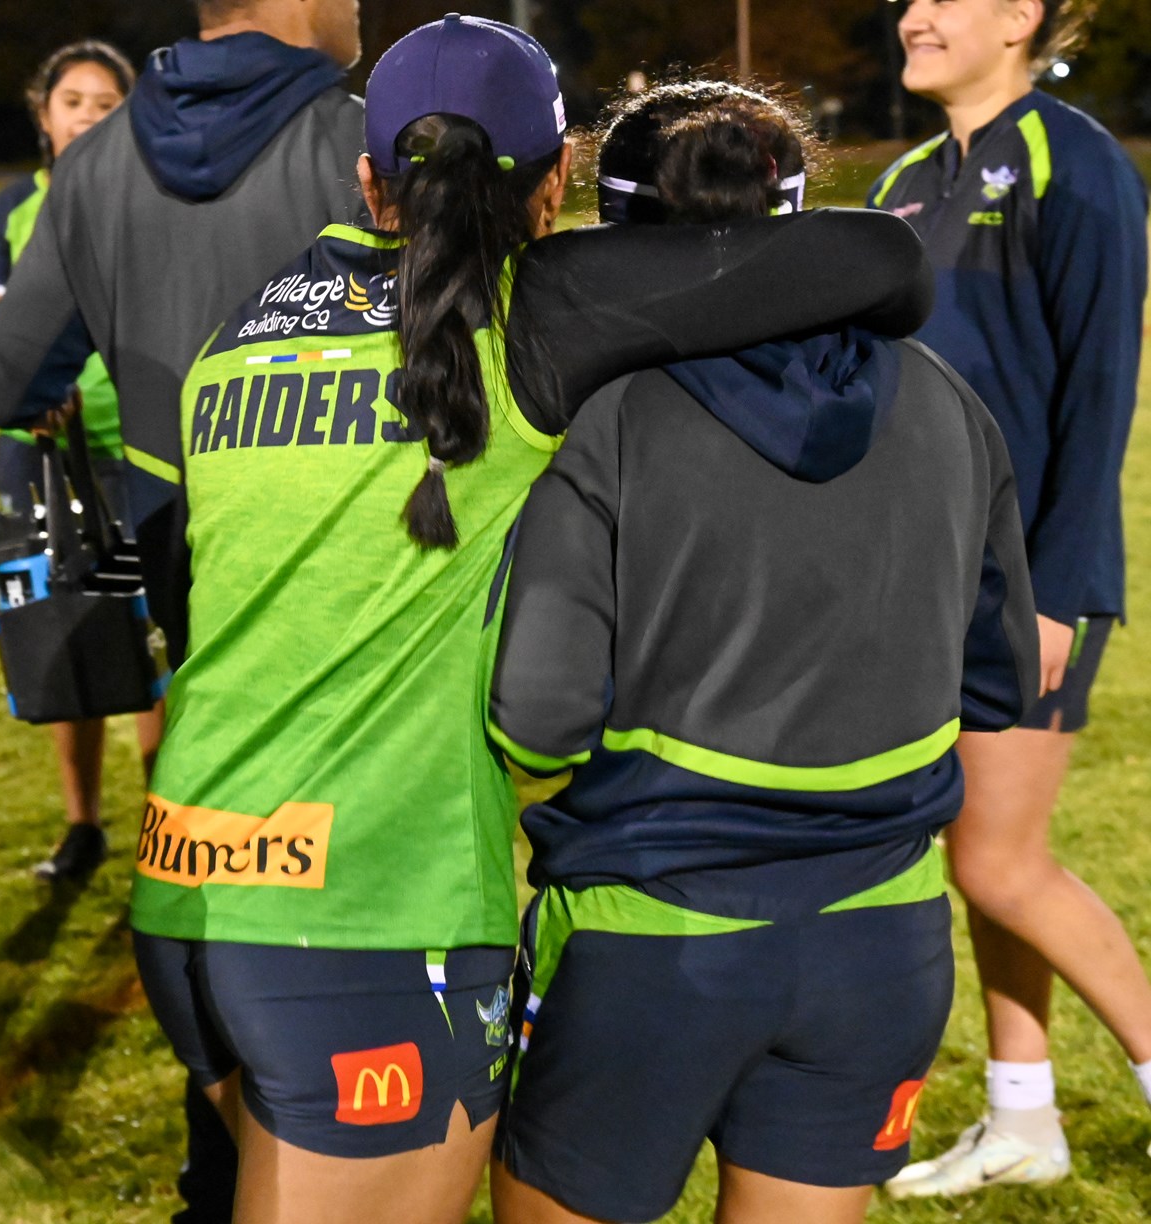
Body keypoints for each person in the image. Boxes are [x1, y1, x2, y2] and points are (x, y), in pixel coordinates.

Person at [124, 19, 937, 1224]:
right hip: (370, 913)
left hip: (191, 882)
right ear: (555, 182)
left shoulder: (239, 333)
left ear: (367, 180)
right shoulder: (540, 312)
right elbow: (882, 263)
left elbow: (179, 579)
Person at [486, 80, 1040, 1224]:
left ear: (614, 227)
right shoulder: (947, 401)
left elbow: (534, 714)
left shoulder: (612, 417)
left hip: (657, 930)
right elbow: (997, 678)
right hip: (883, 936)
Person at [868, 0, 1151, 1196]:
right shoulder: (900, 183)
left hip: (1026, 580)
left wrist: (1060, 591)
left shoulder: (1070, 162)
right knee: (974, 847)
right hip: (924, 581)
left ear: (1021, 16)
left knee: (998, 861)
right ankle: (1023, 1117)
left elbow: (1101, 395)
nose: (915, 15)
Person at [0, 0, 368, 673]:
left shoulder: (93, 163)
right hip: (358, 595)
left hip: (186, 578)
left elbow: (7, 384)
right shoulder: (368, 146)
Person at [0, 40, 163, 882]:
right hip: (42, 455)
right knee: (61, 625)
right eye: (73, 99)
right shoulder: (16, 205)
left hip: (141, 448)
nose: (88, 113)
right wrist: (25, 380)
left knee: (149, 634)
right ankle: (82, 825)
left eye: (107, 102)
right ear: (43, 112)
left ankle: (167, 825)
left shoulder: (150, 200)